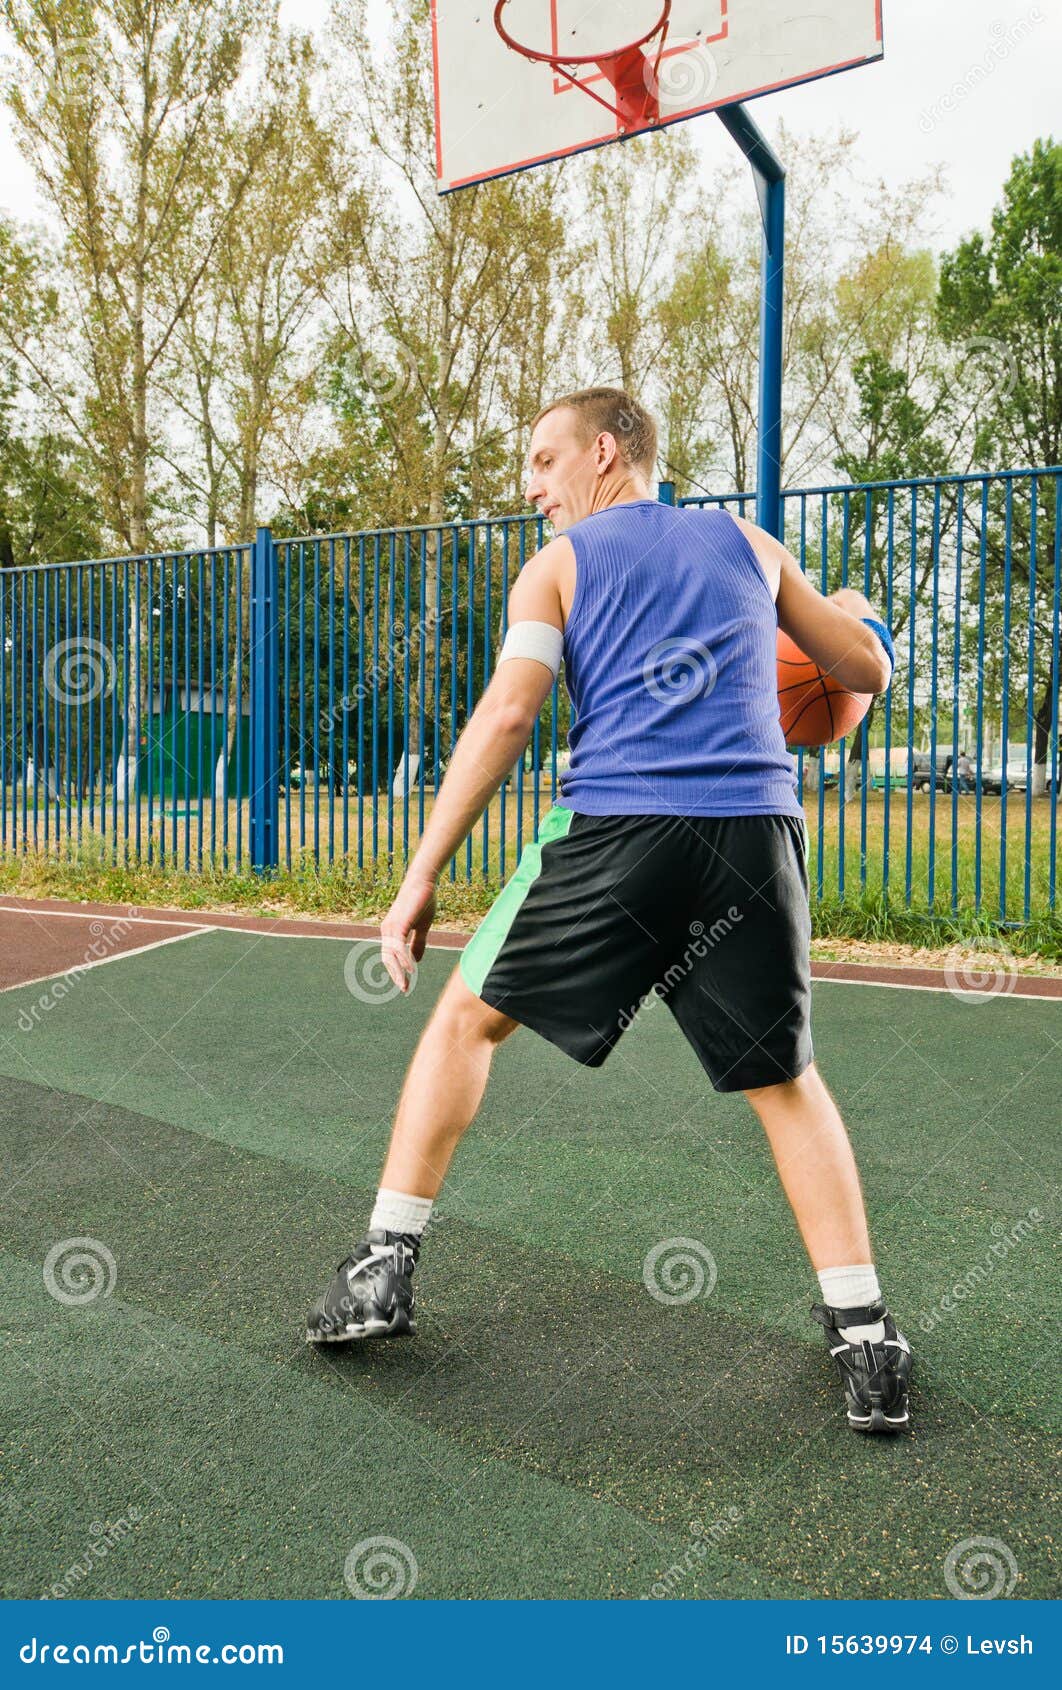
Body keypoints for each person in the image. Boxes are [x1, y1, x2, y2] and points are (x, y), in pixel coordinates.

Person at [305, 388, 912, 1436]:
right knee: (787, 1082)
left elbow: (508, 712)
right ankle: (867, 1339)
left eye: (542, 461)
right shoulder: (750, 544)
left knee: (465, 1019)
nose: (532, 487)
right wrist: (860, 623)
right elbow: (861, 671)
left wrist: (418, 877)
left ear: (605, 451)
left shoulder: (558, 568)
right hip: (753, 842)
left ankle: (382, 1271)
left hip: (624, 831)